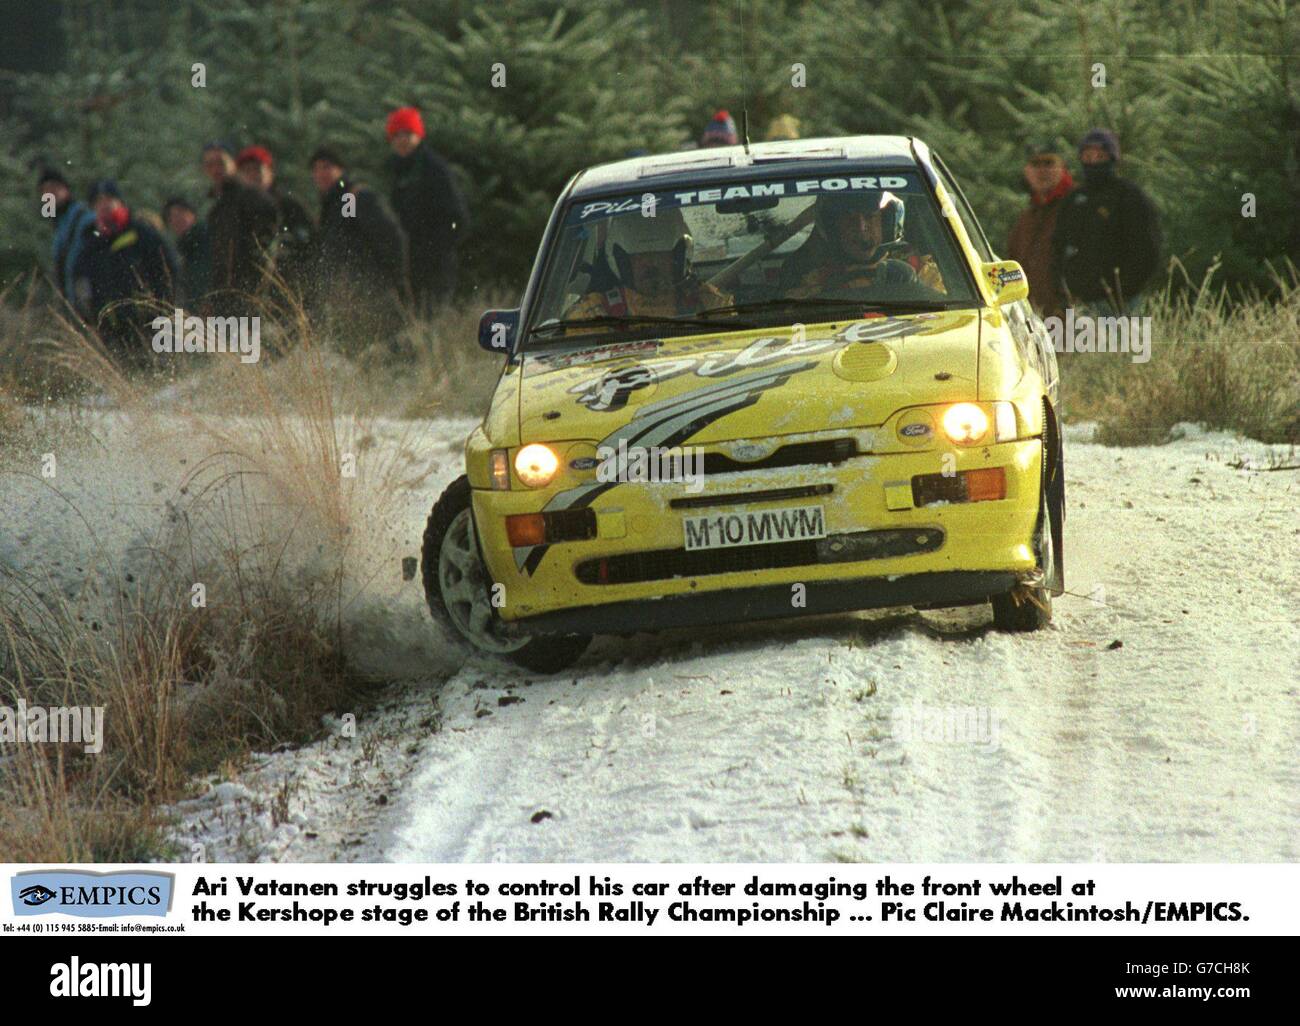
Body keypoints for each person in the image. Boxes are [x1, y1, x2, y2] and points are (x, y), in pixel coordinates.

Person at [1052, 129, 1162, 313]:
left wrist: (1124, 291)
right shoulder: (1074, 200)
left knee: (1124, 343)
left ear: (1112, 158)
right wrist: (1063, 290)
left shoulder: (1129, 196)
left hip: (1121, 303)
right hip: (1080, 304)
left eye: (1100, 156)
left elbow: (1147, 249)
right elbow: (1058, 247)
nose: (1093, 161)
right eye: (1088, 156)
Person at [70, 179, 179, 364]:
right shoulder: (90, 244)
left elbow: (168, 269)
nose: (104, 205)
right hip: (115, 330)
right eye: (98, 202)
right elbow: (82, 286)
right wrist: (91, 318)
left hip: (153, 322)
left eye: (108, 199)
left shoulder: (142, 233)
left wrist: (165, 305)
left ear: (119, 201)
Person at [564, 208, 731, 324]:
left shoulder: (709, 304)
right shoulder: (592, 315)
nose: (651, 265)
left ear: (679, 257)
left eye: (660, 256)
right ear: (621, 261)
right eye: (640, 258)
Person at [309, 145, 408, 335]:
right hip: (350, 294)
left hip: (373, 291)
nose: (322, 173)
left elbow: (390, 237)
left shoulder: (351, 198)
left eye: (327, 167)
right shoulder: (330, 203)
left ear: (341, 169)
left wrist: (394, 279)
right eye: (317, 169)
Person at [779, 190, 945, 297]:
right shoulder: (815, 279)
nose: (861, 228)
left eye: (870, 216)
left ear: (886, 223)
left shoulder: (921, 269)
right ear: (834, 228)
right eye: (850, 219)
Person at [384, 106, 469, 312]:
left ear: (418, 135)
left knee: (429, 322)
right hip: (409, 263)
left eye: (407, 134)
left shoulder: (434, 169)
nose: (402, 140)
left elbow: (458, 217)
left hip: (435, 265)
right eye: (396, 135)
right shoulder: (396, 169)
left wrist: (436, 250)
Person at [200, 140, 279, 309]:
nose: (216, 169)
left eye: (221, 162)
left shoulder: (252, 197)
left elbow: (266, 250)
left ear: (233, 164)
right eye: (209, 164)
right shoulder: (216, 209)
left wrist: (256, 292)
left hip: (253, 297)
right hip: (225, 299)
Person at [235, 145, 317, 302]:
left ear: (269, 171)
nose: (253, 176)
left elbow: (310, 244)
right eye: (247, 171)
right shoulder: (237, 210)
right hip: (251, 294)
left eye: (257, 170)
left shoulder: (287, 205)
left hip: (289, 292)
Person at [1006, 143, 1075, 318]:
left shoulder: (1077, 208)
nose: (1042, 171)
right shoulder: (1028, 216)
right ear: (1027, 171)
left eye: (1049, 163)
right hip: (1035, 318)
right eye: (1036, 164)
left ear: (1063, 168)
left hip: (1074, 318)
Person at [37, 168, 95, 307]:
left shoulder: (83, 218)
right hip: (72, 299)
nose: (49, 195)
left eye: (54, 189)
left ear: (66, 189)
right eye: (45, 192)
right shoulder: (59, 224)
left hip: (87, 296)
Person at [162, 197, 212, 309]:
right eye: (171, 217)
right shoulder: (179, 250)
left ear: (192, 214)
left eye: (181, 212)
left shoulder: (206, 237)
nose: (177, 219)